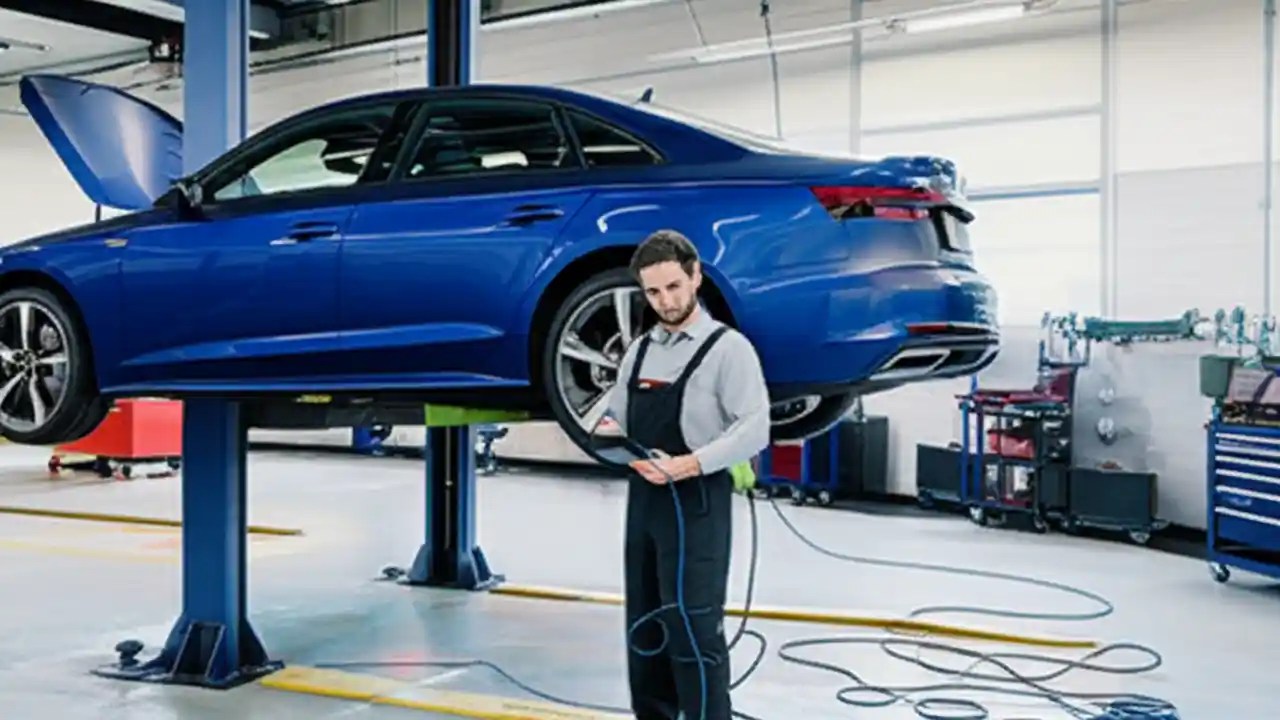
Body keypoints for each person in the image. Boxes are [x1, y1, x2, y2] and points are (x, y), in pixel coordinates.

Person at [601, 229, 771, 720]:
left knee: (694, 627)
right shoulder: (639, 351)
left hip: (697, 501)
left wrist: (690, 463)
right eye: (653, 292)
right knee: (647, 623)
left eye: (674, 287)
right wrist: (620, 447)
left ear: (695, 276)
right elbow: (616, 420)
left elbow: (755, 427)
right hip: (646, 501)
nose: (665, 301)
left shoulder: (727, 349)